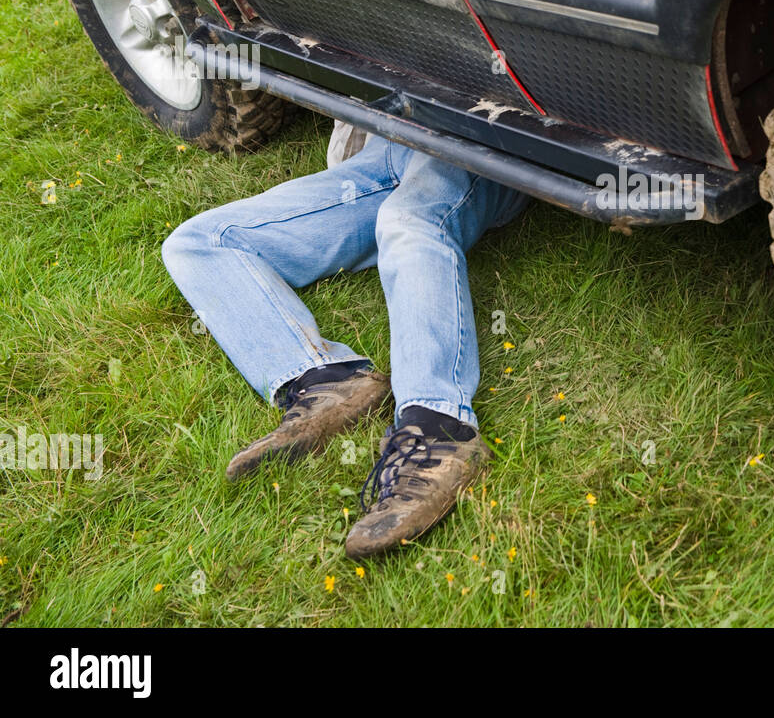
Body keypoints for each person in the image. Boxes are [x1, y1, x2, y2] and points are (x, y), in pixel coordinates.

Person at [161, 121, 530, 558]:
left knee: (407, 223)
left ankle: (437, 429)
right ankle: (327, 380)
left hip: (472, 140)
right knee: (198, 242)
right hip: (388, 141)